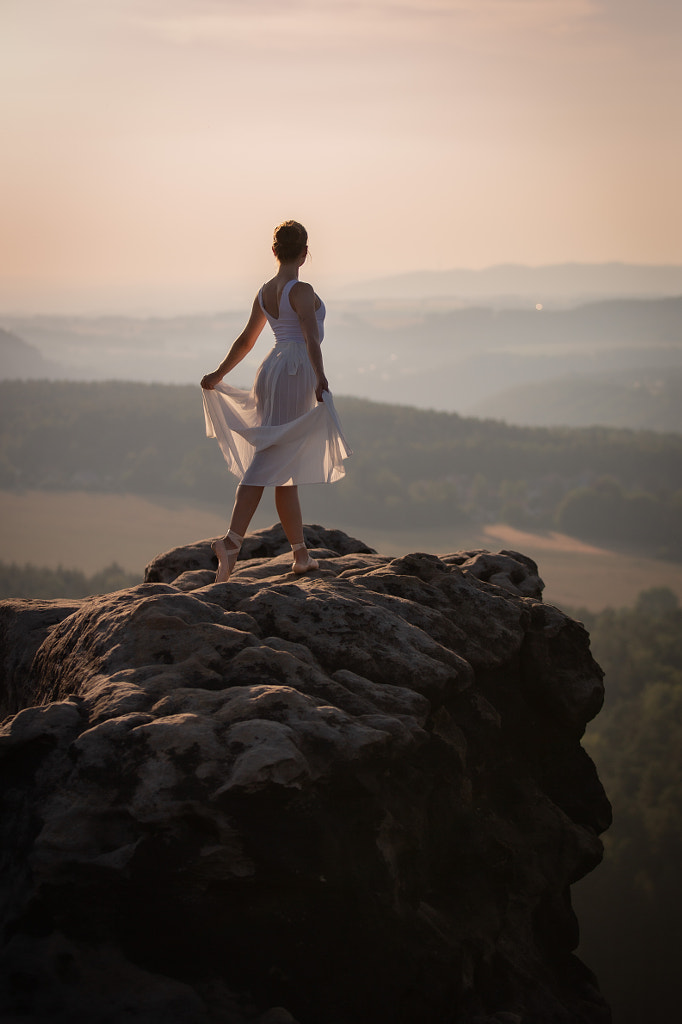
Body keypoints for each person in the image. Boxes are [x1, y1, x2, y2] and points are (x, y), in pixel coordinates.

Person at [200, 220, 351, 583]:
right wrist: (321, 377)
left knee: (286, 468)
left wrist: (219, 374)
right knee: (271, 456)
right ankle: (231, 543)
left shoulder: (265, 290)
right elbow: (311, 338)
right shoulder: (300, 289)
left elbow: (246, 341)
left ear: (274, 251)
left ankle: (299, 554)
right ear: (305, 251)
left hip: (272, 369)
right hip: (294, 370)